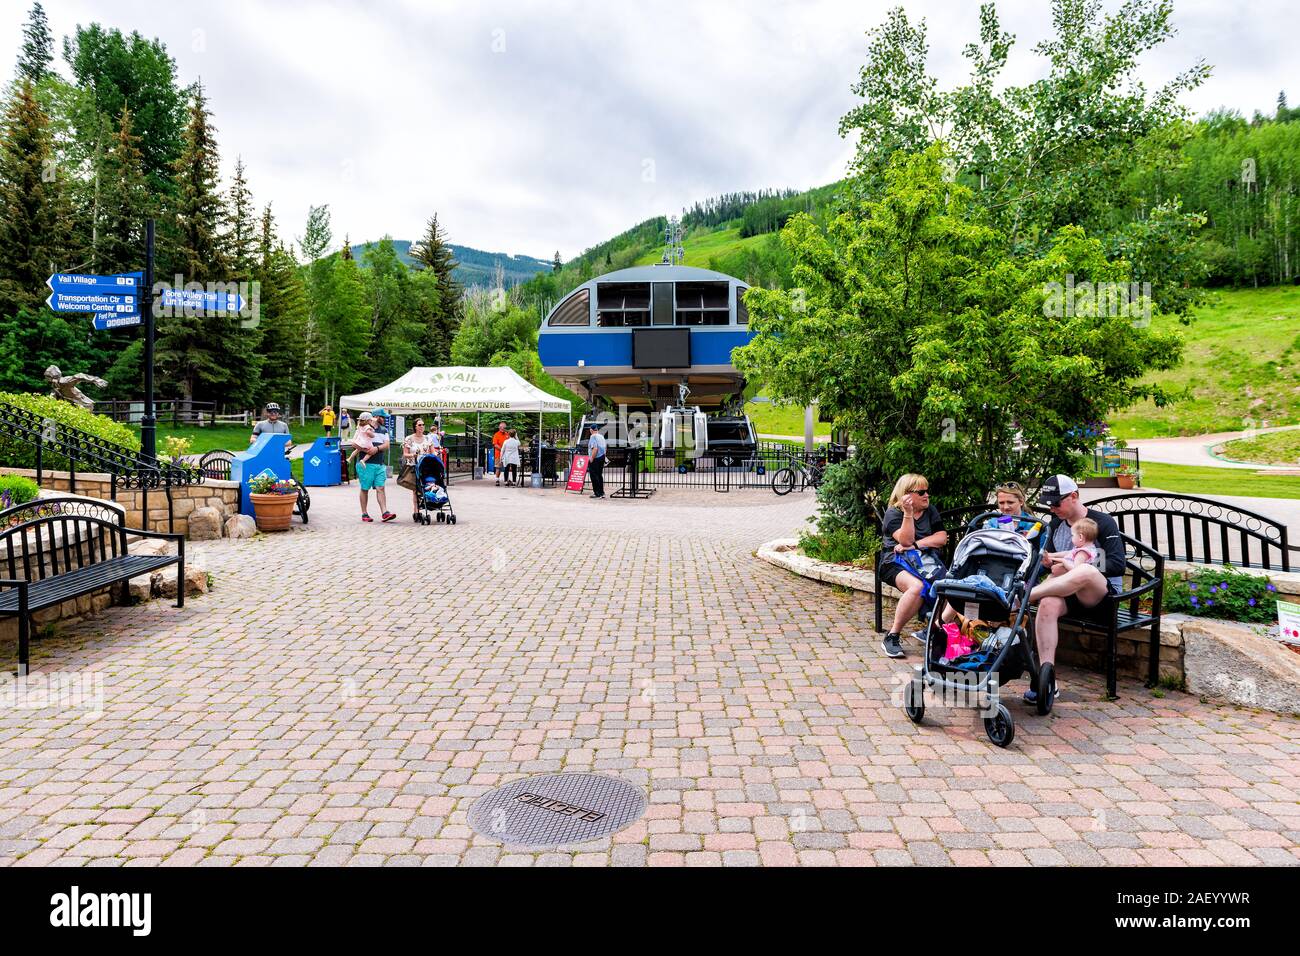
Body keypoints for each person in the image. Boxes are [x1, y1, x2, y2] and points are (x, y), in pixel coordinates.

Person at [1025, 475, 1126, 705]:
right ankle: (1047, 680)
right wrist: (1045, 564)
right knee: (1048, 604)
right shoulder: (1055, 525)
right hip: (1066, 594)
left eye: (1056, 503)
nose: (1052, 508)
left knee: (1085, 572)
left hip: (1099, 598)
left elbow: (1117, 564)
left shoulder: (1102, 522)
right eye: (1048, 504)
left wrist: (1079, 565)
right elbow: (1046, 563)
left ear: (1074, 496)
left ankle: (1026, 597)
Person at [878, 473, 947, 659]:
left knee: (951, 584)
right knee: (917, 587)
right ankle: (892, 635)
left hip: (926, 563)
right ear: (906, 495)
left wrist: (917, 545)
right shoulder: (894, 513)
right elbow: (905, 539)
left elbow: (942, 538)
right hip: (894, 563)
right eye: (921, 492)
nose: (927, 496)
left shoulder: (930, 510)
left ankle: (933, 630)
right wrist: (908, 514)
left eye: (927, 491)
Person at [352, 412, 395, 523]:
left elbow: (387, 445)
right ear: (375, 417)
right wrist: (365, 449)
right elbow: (354, 443)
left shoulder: (383, 430)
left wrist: (376, 449)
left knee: (380, 488)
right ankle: (364, 513)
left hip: (380, 464)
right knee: (365, 488)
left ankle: (385, 513)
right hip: (366, 464)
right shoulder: (362, 428)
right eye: (382, 417)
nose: (384, 419)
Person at [401, 418, 436, 520]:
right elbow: (405, 454)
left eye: (423, 424)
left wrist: (435, 455)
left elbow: (432, 451)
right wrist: (413, 455)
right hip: (413, 465)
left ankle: (426, 503)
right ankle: (416, 510)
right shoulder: (409, 439)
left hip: (426, 466)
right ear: (415, 427)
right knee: (415, 489)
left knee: (426, 486)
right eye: (419, 425)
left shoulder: (428, 438)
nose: (422, 427)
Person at [586, 423, 607, 499]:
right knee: (599, 475)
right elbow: (605, 447)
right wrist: (604, 456)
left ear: (591, 430)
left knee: (594, 476)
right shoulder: (601, 436)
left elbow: (595, 448)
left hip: (595, 458)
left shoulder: (593, 436)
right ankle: (602, 492)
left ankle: (597, 493)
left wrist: (591, 458)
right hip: (602, 457)